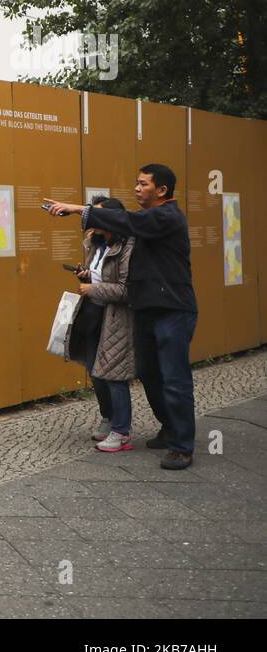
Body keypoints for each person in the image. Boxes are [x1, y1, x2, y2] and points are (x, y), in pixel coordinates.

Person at [45, 163, 198, 469]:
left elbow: (127, 220)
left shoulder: (167, 216)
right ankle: (169, 427)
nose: (137, 188)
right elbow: (125, 229)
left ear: (162, 190)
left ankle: (182, 446)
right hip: (146, 310)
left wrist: (79, 209)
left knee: (174, 378)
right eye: (137, 183)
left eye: (143, 184)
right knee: (150, 373)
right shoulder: (145, 222)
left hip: (172, 311)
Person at [64, 197, 137, 451]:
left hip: (116, 316)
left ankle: (121, 429)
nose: (94, 220)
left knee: (113, 374)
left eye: (99, 215)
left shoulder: (126, 246)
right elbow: (102, 274)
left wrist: (93, 287)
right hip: (95, 313)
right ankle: (110, 419)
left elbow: (126, 289)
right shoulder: (98, 244)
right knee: (96, 370)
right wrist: (88, 274)